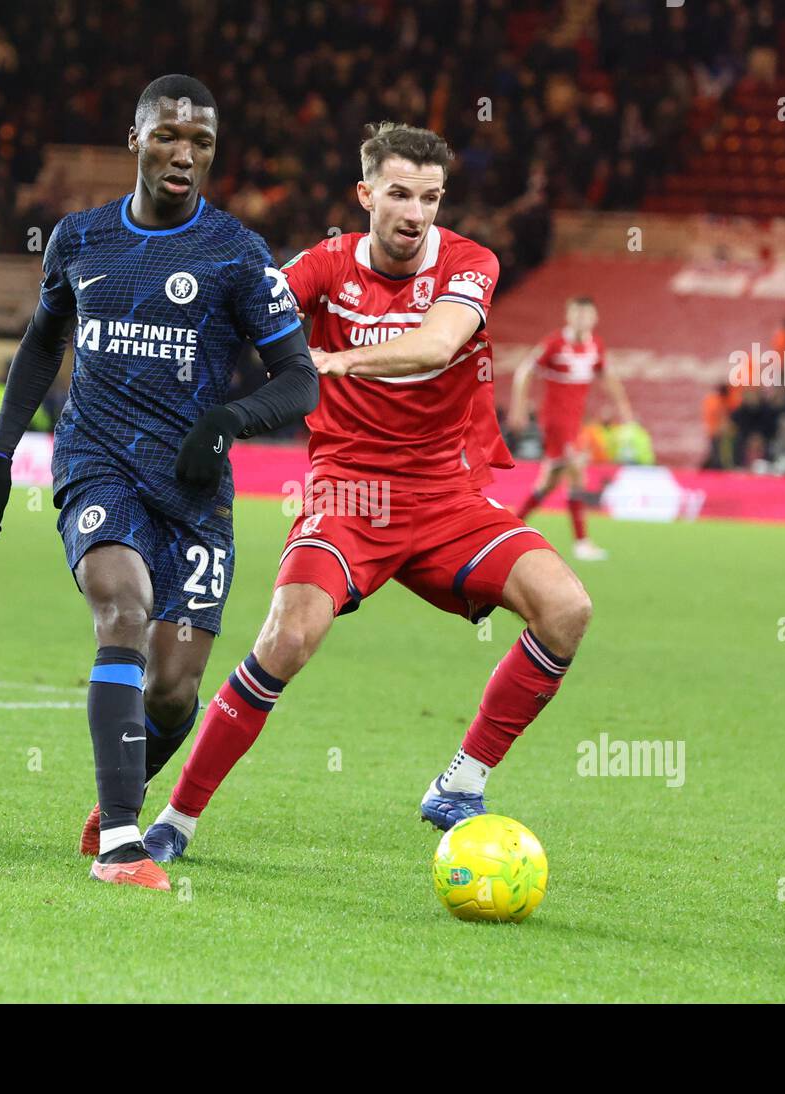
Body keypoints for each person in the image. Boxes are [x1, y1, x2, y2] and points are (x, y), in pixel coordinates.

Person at [112, 121, 594, 862]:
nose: (415, 213)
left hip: (444, 495)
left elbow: (437, 344)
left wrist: (330, 362)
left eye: (431, 197)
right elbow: (240, 313)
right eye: (399, 194)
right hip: (348, 495)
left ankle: (460, 783)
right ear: (366, 194)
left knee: (566, 608)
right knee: (288, 637)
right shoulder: (325, 265)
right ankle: (176, 820)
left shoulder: (471, 264)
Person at [0, 74, 318, 891]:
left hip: (195, 492)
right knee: (119, 610)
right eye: (167, 136)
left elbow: (300, 380)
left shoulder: (236, 252)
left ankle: (127, 789)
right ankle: (122, 841)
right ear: (135, 140)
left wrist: (228, 420)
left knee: (171, 690)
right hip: (97, 462)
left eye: (200, 143)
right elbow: (37, 349)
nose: (183, 155)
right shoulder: (80, 240)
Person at [508, 297, 635, 560]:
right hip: (555, 422)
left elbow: (608, 375)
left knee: (549, 482)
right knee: (577, 471)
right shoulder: (555, 343)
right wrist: (518, 408)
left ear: (594, 318)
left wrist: (623, 406)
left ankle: (508, 527)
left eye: (586, 315)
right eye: (577, 315)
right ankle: (582, 542)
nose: (581, 320)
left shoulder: (595, 345)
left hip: (574, 423)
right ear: (568, 316)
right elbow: (524, 372)